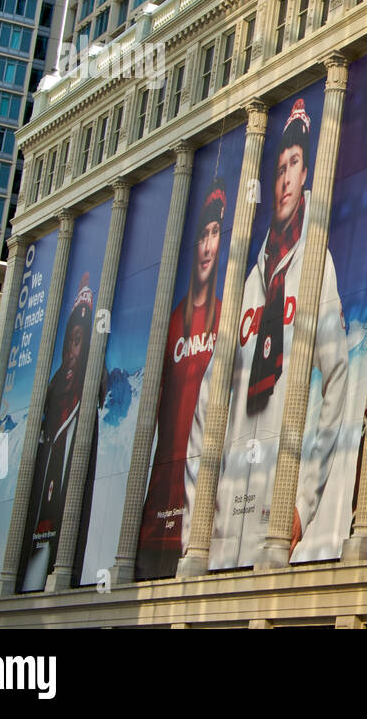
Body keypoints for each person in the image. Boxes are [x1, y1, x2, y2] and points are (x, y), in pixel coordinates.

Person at [193, 98, 350, 569]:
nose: (284, 179)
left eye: (294, 164)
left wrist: (304, 503)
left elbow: (338, 378)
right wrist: (198, 521)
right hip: (225, 537)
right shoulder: (250, 280)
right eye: (279, 166)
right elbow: (210, 396)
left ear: (307, 174)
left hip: (279, 529)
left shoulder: (317, 264)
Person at [135, 180, 226, 579]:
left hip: (202, 517)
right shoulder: (170, 323)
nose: (207, 246)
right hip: (157, 519)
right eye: (202, 235)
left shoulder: (228, 315)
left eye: (215, 234)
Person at [20, 273, 98, 590]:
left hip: (67, 560)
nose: (70, 353)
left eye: (79, 342)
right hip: (32, 549)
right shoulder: (46, 411)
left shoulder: (90, 409)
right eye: (68, 342)